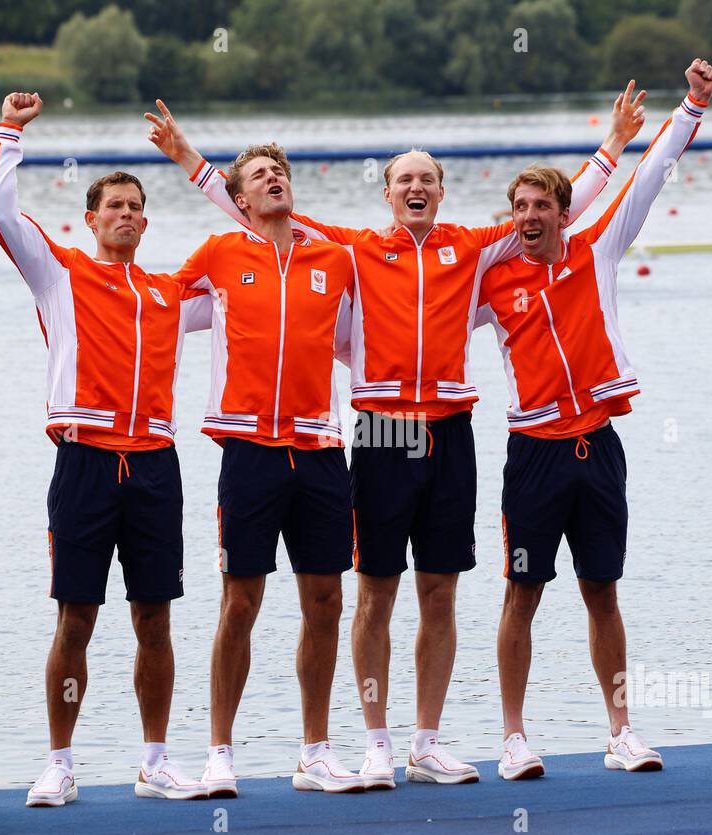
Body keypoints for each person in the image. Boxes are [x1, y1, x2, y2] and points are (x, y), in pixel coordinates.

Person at [146, 83, 644, 787]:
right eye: (404, 178)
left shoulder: (474, 248)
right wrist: (188, 157)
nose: (417, 186)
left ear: (441, 193)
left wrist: (617, 143)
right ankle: (374, 741)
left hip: (451, 432)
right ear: (387, 194)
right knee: (376, 589)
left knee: (440, 590)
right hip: (380, 432)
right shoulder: (351, 251)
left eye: (428, 178)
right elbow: (258, 211)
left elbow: (568, 204)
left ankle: (426, 741)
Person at [474, 60, 712, 780]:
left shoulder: (599, 247)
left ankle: (621, 732)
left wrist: (693, 105)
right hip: (533, 453)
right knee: (522, 591)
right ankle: (514, 737)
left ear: (562, 210)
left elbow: (651, 173)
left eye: (541, 206)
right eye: (518, 207)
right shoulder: (493, 283)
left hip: (598, 448)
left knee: (602, 591)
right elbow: (418, 318)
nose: (528, 217)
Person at [0, 92, 213, 806]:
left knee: (155, 616)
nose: (125, 215)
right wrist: (10, 131)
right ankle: (59, 760)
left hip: (154, 465)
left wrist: (202, 170)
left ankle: (155, 760)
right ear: (90, 221)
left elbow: (254, 282)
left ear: (147, 220)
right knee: (76, 617)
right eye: (112, 205)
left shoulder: (171, 292)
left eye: (135, 206)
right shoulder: (59, 273)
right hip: (84, 461)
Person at [171, 143, 362, 797]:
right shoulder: (222, 254)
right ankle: (220, 752)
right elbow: (155, 304)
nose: (273, 179)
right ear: (241, 201)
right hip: (249, 451)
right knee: (241, 602)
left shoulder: (334, 261)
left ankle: (315, 752)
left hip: (319, 450)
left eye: (279, 171)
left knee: (327, 602)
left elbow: (374, 330)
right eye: (258, 176)